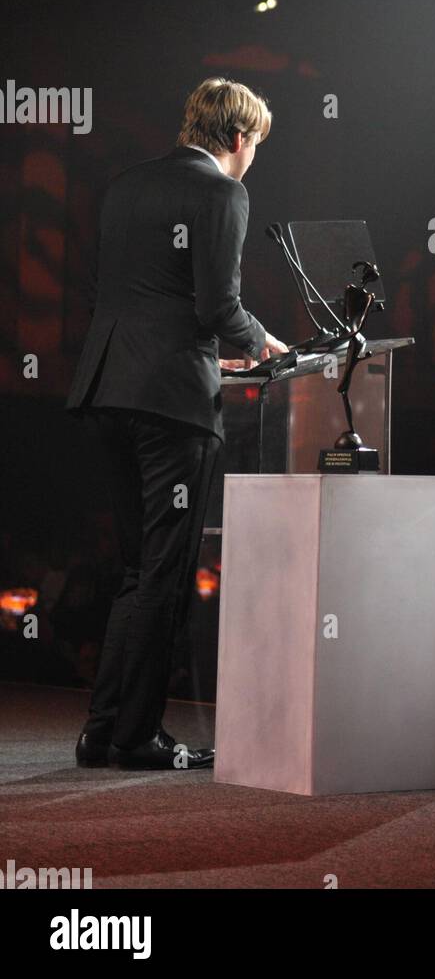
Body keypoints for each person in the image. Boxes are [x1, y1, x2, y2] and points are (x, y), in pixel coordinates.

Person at [66, 78, 288, 769]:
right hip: (172, 407)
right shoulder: (223, 191)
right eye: (258, 144)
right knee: (165, 574)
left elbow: (120, 295)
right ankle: (137, 737)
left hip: (108, 390)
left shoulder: (127, 185)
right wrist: (263, 344)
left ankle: (104, 731)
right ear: (241, 137)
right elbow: (218, 306)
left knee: (137, 570)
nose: (254, 157)